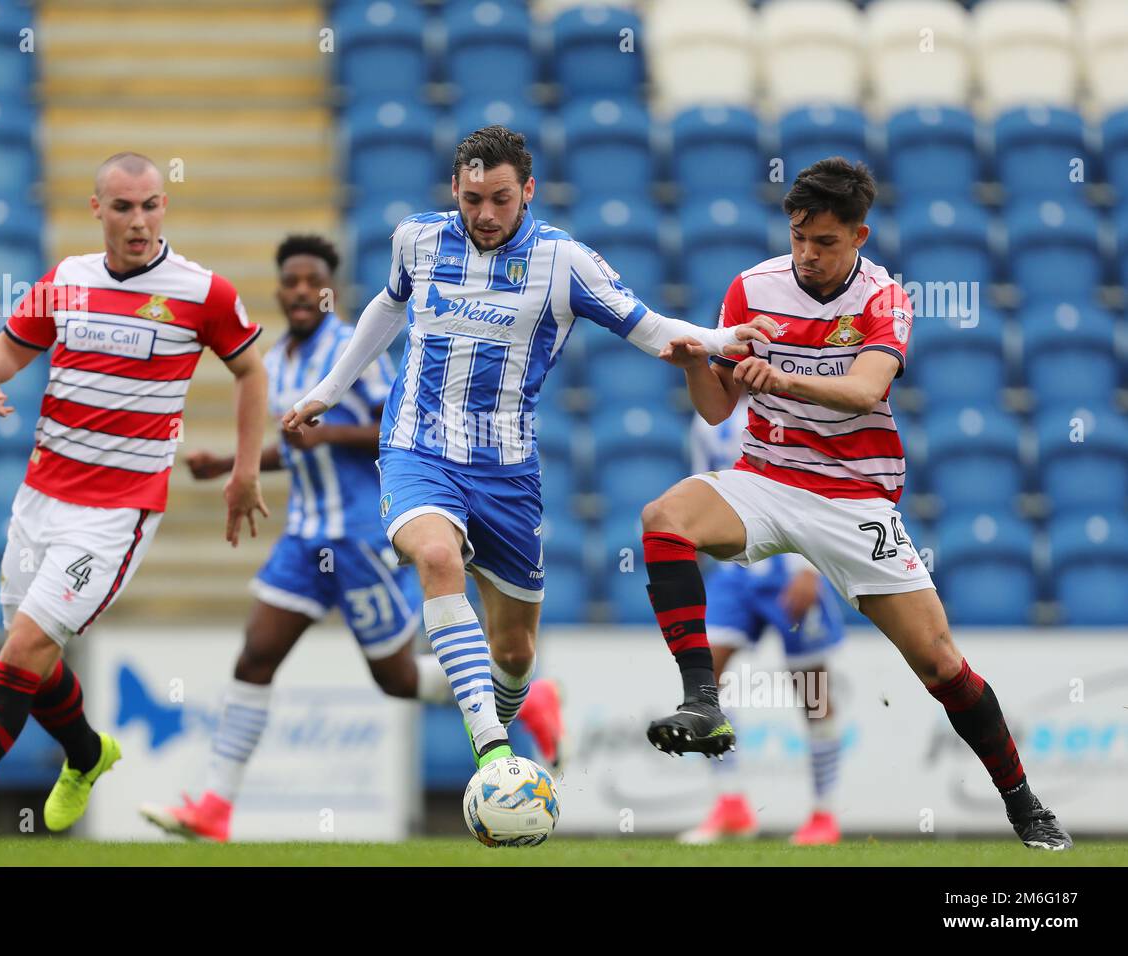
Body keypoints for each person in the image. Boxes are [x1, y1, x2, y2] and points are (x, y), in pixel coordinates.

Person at [284, 126, 772, 769]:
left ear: (529, 191)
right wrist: (328, 388)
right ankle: (493, 751)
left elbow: (652, 330)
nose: (485, 214)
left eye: (502, 199)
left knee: (513, 655)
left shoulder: (563, 260)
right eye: (472, 198)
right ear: (455, 190)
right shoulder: (418, 239)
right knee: (436, 555)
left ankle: (517, 709)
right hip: (418, 446)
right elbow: (388, 304)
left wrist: (723, 338)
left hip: (506, 471)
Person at [642, 157, 1071, 849]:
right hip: (766, 476)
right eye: (799, 238)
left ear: (860, 236)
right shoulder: (751, 288)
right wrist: (699, 364)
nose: (808, 255)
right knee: (663, 518)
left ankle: (1024, 804)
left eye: (826, 242)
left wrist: (779, 376)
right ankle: (701, 703)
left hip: (853, 499)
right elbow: (719, 410)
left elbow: (866, 390)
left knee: (940, 664)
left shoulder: (883, 299)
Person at [0, 152, 268, 842]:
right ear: (98, 210)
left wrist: (245, 471)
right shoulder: (67, 281)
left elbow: (250, 370)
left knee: (24, 649)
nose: (139, 221)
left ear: (164, 208)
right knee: (34, 654)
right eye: (123, 208)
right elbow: (4, 351)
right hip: (40, 498)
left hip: (116, 515)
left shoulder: (202, 292)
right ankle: (88, 756)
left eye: (151, 205)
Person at [139, 235, 562, 841]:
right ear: (280, 290)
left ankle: (525, 692)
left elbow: (395, 432)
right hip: (304, 537)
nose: (303, 291)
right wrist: (236, 464)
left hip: (359, 538)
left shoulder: (353, 351)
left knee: (395, 679)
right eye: (292, 281)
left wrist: (332, 437)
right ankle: (214, 807)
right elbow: (299, 439)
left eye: (314, 281)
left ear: (329, 290)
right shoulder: (279, 358)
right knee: (256, 654)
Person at [676, 397, 846, 846]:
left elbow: (817, 486)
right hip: (735, 569)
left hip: (792, 561)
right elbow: (700, 486)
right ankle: (731, 804)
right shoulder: (707, 420)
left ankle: (824, 814)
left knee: (812, 690)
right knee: (705, 675)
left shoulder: (793, 406)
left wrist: (811, 569)